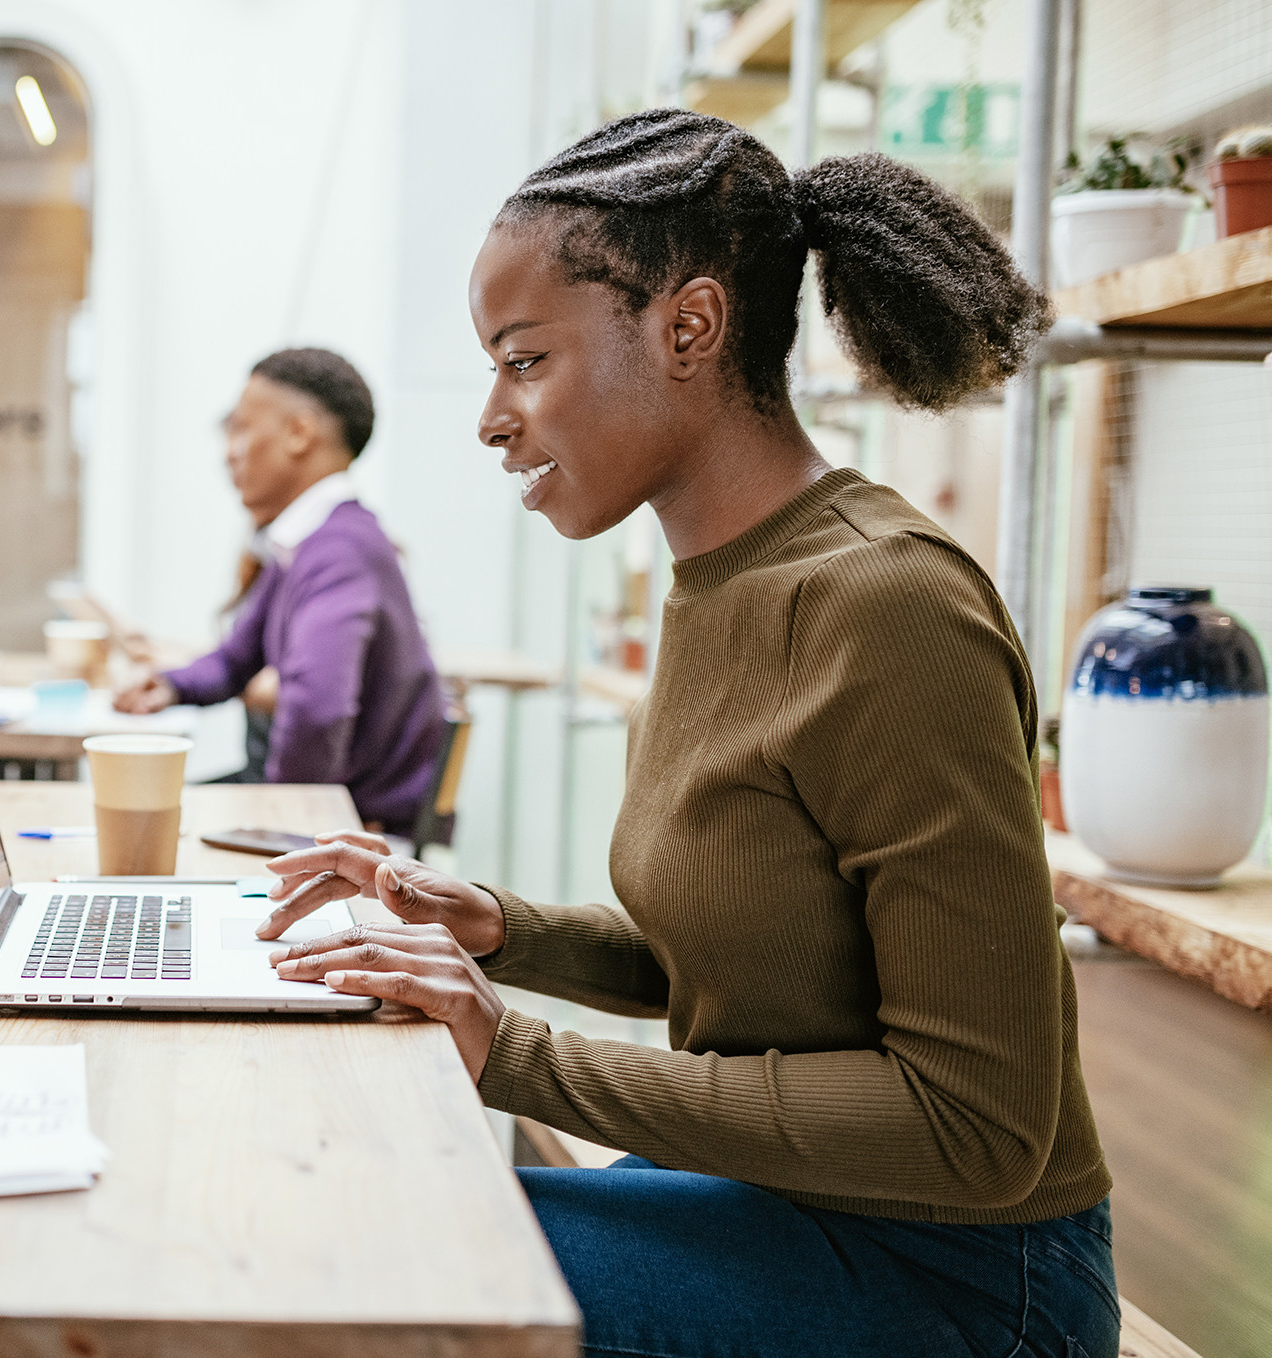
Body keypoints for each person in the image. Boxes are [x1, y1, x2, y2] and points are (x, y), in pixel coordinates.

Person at [257, 110, 1117, 1357]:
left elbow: (977, 1124)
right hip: (796, 1212)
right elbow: (758, 954)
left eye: (526, 359)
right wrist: (499, 926)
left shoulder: (888, 604)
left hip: (972, 1282)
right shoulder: (720, 579)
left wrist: (520, 1050)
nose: (490, 417)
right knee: (347, 1197)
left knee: (374, 1248)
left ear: (690, 329)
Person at [114, 348, 443, 834]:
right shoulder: (304, 544)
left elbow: (315, 710)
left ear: (299, 434)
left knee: (142, 827)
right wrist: (170, 685)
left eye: (242, 428)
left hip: (354, 829)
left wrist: (275, 828)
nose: (230, 450)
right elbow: (235, 660)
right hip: (320, 809)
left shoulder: (339, 550)